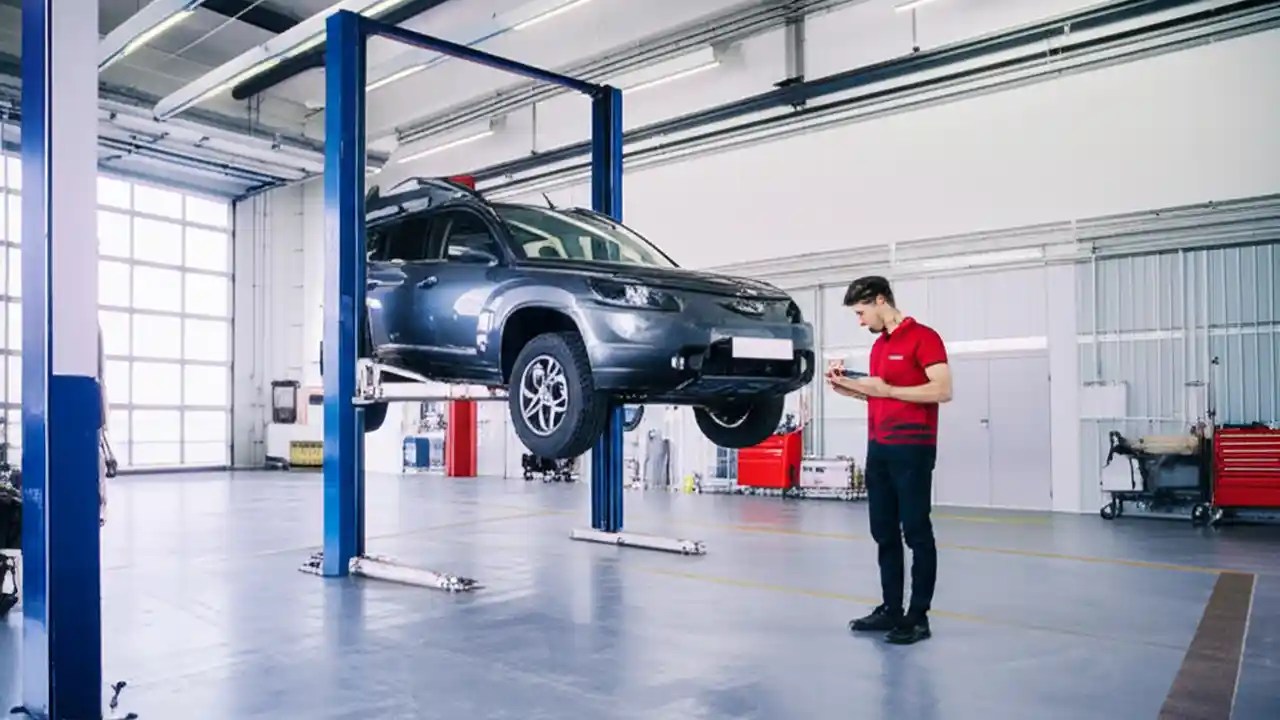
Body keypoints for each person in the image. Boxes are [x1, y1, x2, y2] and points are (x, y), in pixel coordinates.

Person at [825, 275, 952, 645]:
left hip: (913, 447)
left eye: (862, 312)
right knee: (883, 532)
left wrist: (887, 389)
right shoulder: (879, 347)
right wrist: (849, 387)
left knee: (916, 531)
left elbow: (942, 389)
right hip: (878, 447)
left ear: (881, 300)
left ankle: (918, 616)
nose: (860, 321)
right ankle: (891, 609)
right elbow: (881, 396)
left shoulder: (924, 338)